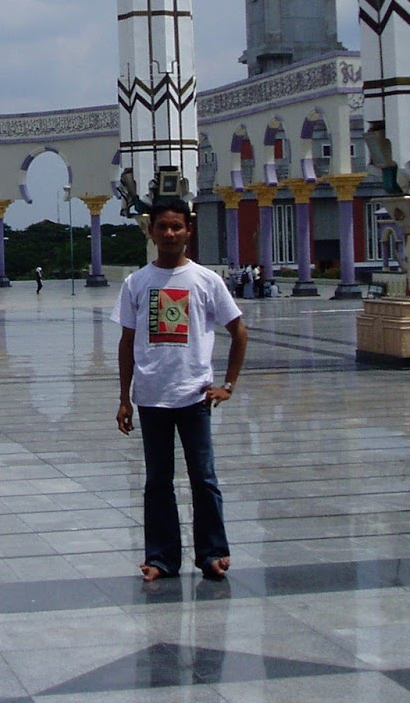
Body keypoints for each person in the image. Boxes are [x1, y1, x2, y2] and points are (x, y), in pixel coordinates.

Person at [115, 200, 247, 581]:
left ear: (188, 229)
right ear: (151, 231)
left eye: (176, 227)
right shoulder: (137, 283)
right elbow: (127, 342)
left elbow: (238, 331)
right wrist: (125, 398)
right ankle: (161, 558)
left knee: (203, 478)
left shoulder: (206, 280)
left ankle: (212, 554)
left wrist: (228, 386)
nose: (170, 234)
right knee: (158, 481)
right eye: (162, 228)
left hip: (195, 397)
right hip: (152, 397)